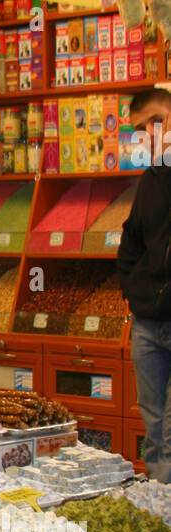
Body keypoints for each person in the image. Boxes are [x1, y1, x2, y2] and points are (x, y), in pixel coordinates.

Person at [118, 87, 171, 481]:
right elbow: (130, 242)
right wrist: (133, 295)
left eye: (156, 121)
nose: (150, 133)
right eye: (141, 128)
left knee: (170, 432)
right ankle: (160, 517)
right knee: (154, 433)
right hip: (148, 325)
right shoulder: (150, 180)